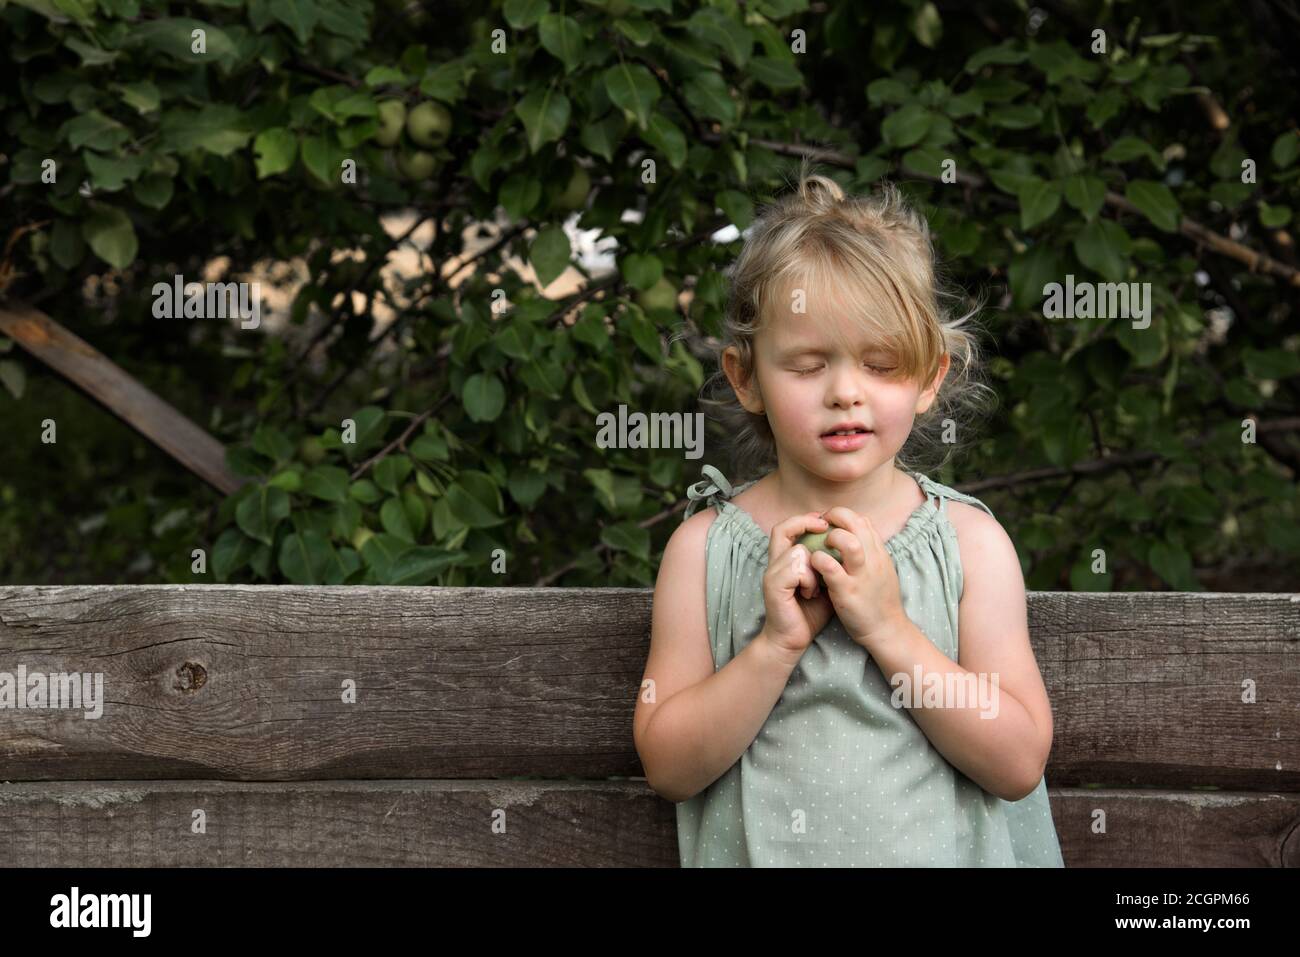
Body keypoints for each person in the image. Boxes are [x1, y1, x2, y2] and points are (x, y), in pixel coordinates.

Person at [632, 159, 1065, 867]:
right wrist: (774, 646)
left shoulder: (969, 545)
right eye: (807, 365)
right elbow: (669, 766)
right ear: (746, 378)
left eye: (881, 364)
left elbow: (1017, 761)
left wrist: (890, 629)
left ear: (931, 378)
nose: (845, 392)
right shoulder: (704, 551)